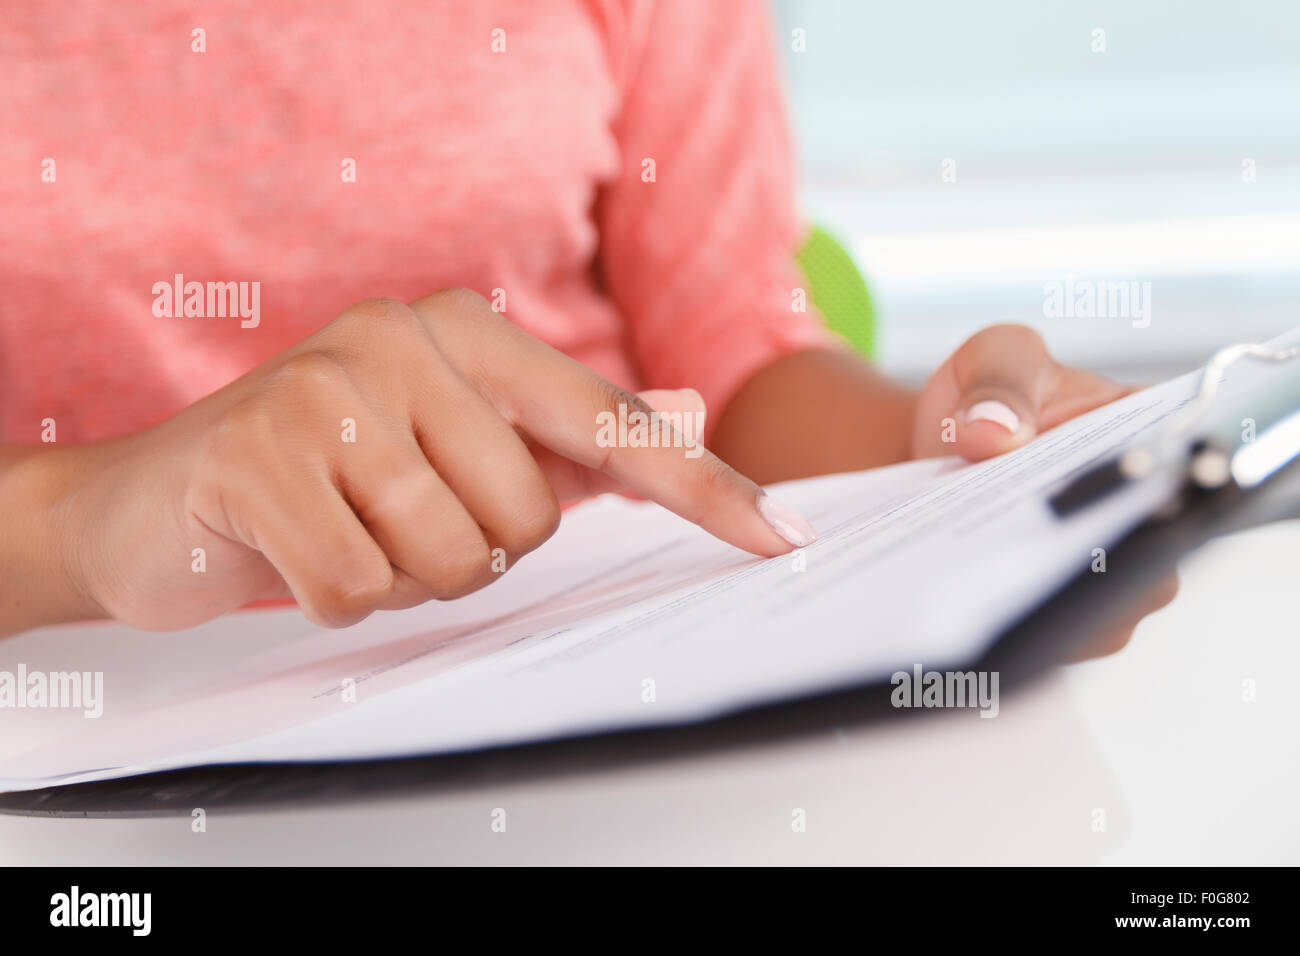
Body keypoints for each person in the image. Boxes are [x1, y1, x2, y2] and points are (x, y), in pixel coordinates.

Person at [0, 0, 1174, 644]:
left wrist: (946, 471)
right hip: (91, 758)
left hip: (606, 688)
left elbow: (733, 354)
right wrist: (74, 526)